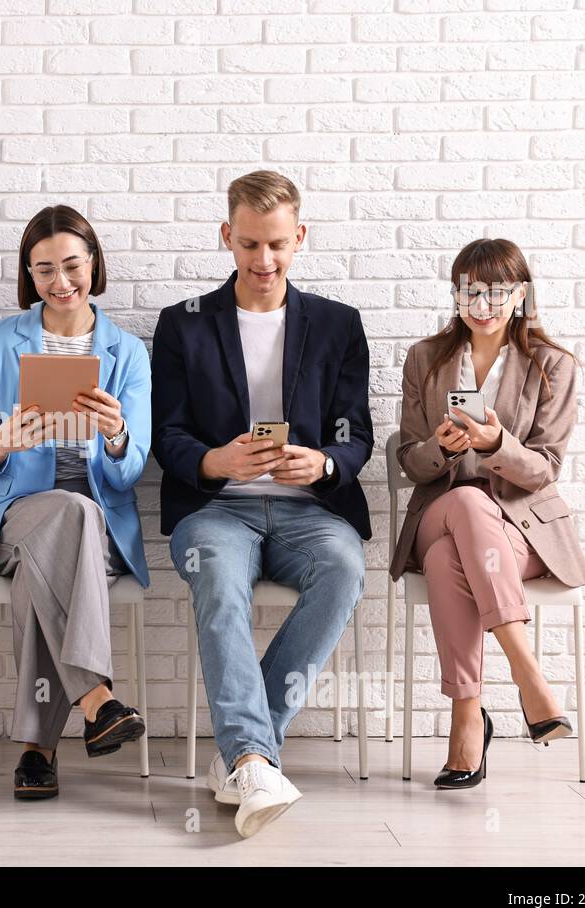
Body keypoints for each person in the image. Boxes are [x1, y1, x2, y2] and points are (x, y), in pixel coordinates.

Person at [153, 171, 372, 837]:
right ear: (227, 236)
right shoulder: (182, 324)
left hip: (310, 510)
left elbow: (354, 432)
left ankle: (246, 752)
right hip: (218, 509)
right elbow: (167, 434)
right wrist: (214, 460)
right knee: (217, 577)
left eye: (277, 244)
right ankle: (251, 757)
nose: (263, 260)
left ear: (299, 237)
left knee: (345, 568)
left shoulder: (338, 324)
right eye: (248, 243)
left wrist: (326, 462)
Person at [0, 205, 151, 800]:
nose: (60, 281)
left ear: (94, 264)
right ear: (28, 274)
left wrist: (116, 434)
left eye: (72, 265)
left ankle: (36, 750)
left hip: (99, 525)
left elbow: (131, 470)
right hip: (16, 511)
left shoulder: (128, 352)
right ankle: (96, 698)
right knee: (66, 516)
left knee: (65, 537)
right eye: (44, 270)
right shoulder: (0, 341)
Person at [389, 237, 585, 789]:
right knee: (464, 503)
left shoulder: (554, 365)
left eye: (497, 292)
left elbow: (546, 468)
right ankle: (529, 676)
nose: (482, 304)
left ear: (520, 294)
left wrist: (497, 443)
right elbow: (411, 461)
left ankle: (466, 719)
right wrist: (446, 449)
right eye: (470, 291)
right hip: (438, 510)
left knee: (452, 559)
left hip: (519, 531)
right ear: (455, 295)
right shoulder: (425, 359)